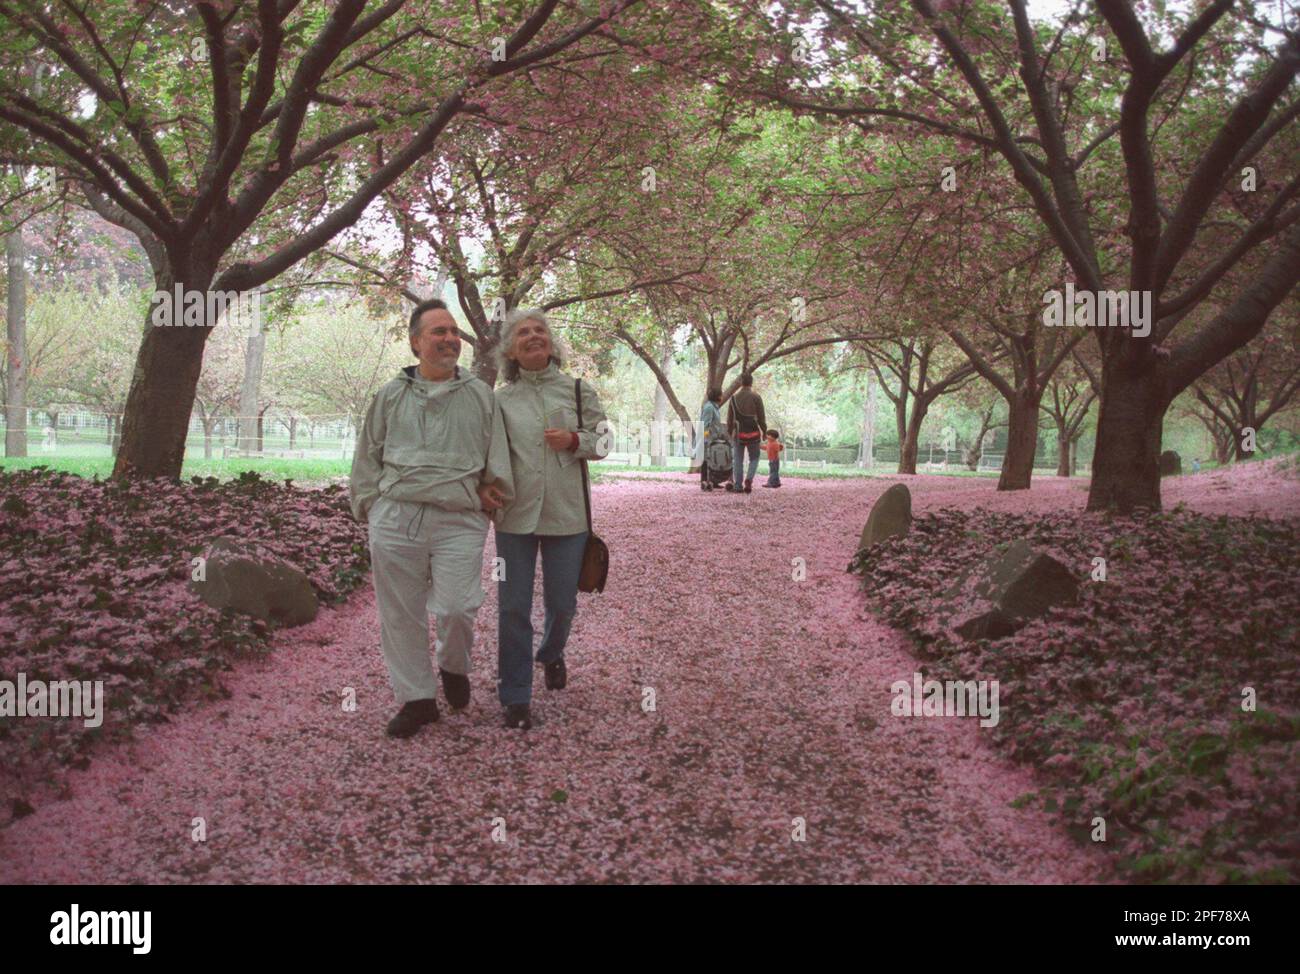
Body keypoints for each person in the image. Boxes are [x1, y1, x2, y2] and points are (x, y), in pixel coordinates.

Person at [350, 299, 513, 739]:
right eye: (438, 332)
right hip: (396, 515)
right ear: (415, 342)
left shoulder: (480, 393)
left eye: (453, 332)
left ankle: (453, 665)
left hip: (459, 518)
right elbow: (368, 454)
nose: (449, 339)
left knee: (459, 606)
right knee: (400, 613)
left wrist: (490, 492)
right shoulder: (390, 394)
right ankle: (417, 699)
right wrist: (370, 506)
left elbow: (495, 452)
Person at [493, 308, 609, 730]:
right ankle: (515, 695)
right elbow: (490, 455)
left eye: (539, 330)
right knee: (512, 608)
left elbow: (605, 441)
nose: (533, 336)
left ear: (551, 342)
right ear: (510, 348)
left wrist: (577, 440)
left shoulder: (578, 390)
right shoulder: (499, 401)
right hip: (513, 519)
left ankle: (551, 653)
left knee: (563, 603)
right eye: (523, 332)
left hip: (567, 516)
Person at [726, 372, 767, 493]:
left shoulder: (733, 399)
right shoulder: (756, 397)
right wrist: (764, 431)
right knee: (754, 457)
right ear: (751, 383)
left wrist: (729, 432)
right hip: (754, 433)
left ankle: (738, 485)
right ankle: (749, 479)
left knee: (738, 459)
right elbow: (761, 417)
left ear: (740, 383)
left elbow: (730, 419)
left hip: (738, 433)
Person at [696, 387, 724, 491]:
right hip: (709, 438)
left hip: (714, 437)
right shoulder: (709, 408)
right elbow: (705, 425)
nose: (722, 396)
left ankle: (713, 481)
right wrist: (707, 438)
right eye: (721, 394)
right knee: (707, 460)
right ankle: (705, 481)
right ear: (717, 396)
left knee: (713, 460)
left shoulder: (714, 407)